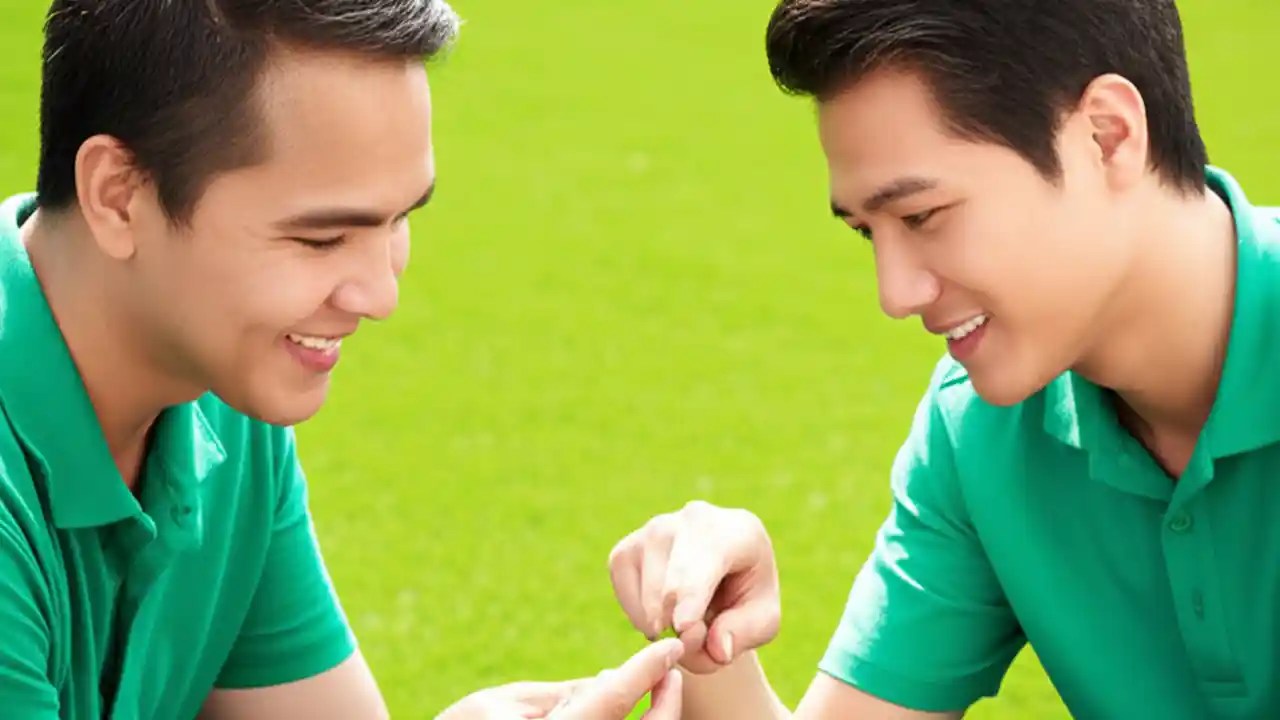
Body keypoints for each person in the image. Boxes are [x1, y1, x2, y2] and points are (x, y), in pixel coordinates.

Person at [0, 2, 677, 718]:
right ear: (118, 196)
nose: (381, 294)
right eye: (321, 240)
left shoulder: (220, 403)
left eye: (400, 219)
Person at [608, 0, 1280, 718]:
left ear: (1105, 136)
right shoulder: (982, 429)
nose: (895, 294)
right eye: (869, 232)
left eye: (923, 216)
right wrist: (712, 640)